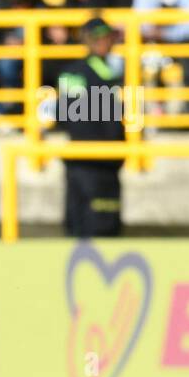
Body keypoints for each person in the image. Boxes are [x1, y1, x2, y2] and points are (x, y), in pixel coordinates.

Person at [55, 16, 126, 237]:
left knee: (81, 230)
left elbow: (62, 115)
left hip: (84, 162)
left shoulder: (72, 72)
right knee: (99, 230)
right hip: (97, 164)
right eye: (104, 38)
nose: (109, 43)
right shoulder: (104, 75)